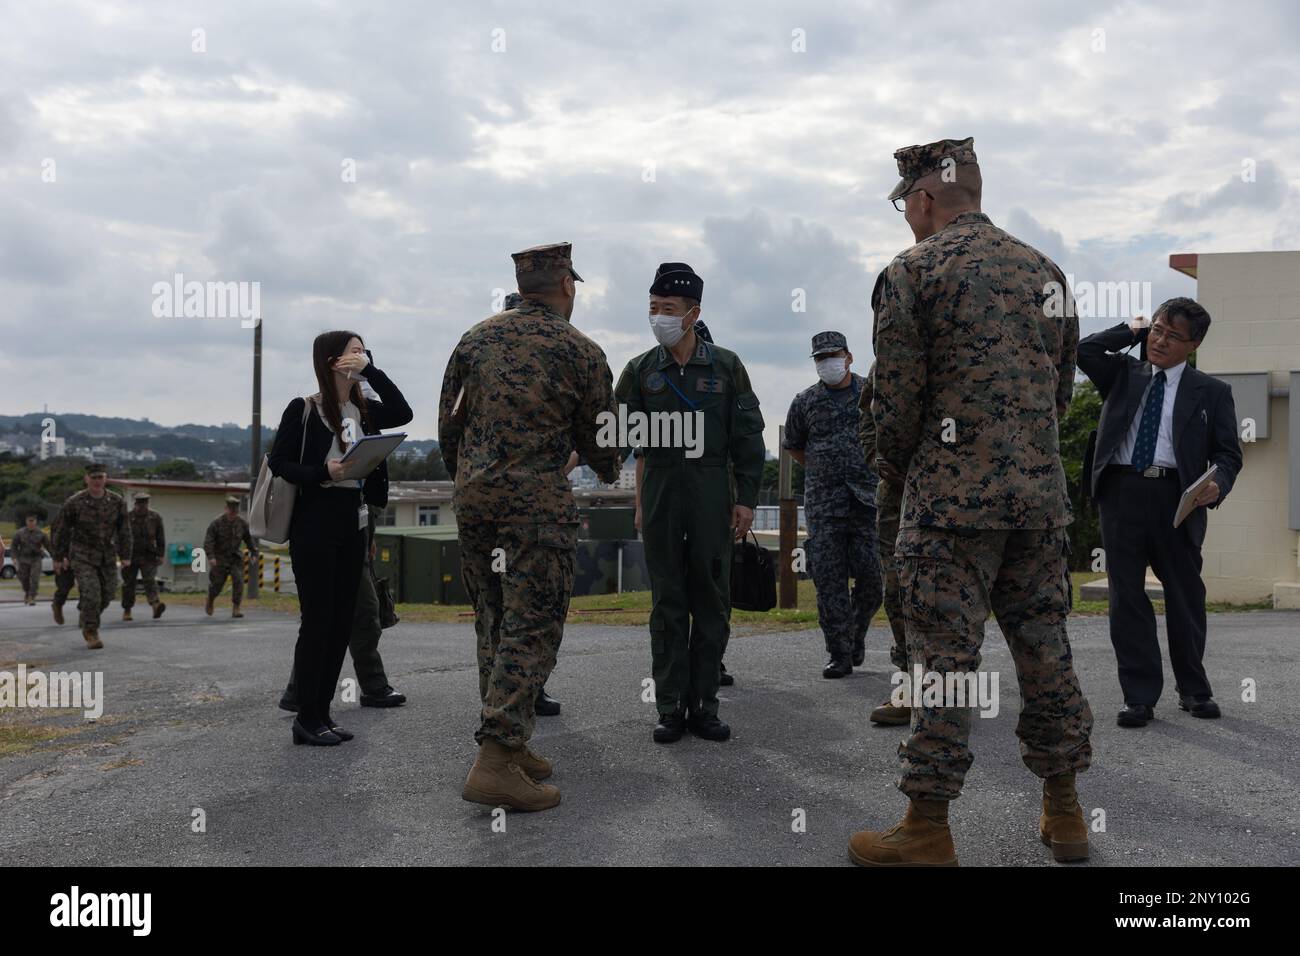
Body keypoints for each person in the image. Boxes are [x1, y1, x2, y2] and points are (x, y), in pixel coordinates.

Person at [851, 137, 1093, 866]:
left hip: (950, 510)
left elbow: (895, 405)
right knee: (1044, 649)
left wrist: (897, 476)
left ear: (923, 198)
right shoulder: (1045, 271)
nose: (906, 218)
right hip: (1039, 503)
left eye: (905, 204)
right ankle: (1066, 811)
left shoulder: (913, 271)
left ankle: (926, 826)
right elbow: (1059, 390)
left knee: (943, 662)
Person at [441, 242, 619, 811]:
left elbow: (450, 426)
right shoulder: (580, 351)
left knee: (492, 618)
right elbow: (604, 448)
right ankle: (495, 760)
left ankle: (511, 747)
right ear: (567, 285)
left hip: (475, 503)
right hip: (536, 511)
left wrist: (471, 478)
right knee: (532, 625)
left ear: (522, 287)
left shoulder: (474, 339)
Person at [615, 262, 765, 745]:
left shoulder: (726, 366)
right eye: (653, 308)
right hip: (660, 493)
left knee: (712, 601)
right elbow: (616, 436)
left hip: (711, 496)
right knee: (668, 604)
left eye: (669, 309)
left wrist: (745, 500)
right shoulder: (640, 371)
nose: (659, 317)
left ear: (693, 313)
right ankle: (669, 708)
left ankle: (705, 706)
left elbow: (748, 439)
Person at [1077, 300, 1242, 727]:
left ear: (1195, 344)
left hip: (1178, 498)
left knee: (1186, 597)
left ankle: (1193, 690)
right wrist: (1130, 330)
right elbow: (1085, 351)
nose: (1159, 340)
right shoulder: (1123, 374)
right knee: (1127, 597)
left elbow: (1228, 453)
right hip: (1122, 492)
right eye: (1156, 329)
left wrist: (1217, 484)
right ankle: (1139, 697)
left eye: (1172, 335)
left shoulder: (1212, 392)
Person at [268, 332, 410, 746]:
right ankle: (306, 716)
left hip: (354, 518)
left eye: (364, 349)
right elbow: (280, 463)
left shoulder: (363, 410)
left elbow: (404, 411)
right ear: (332, 361)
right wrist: (322, 473)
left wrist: (373, 372)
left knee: (342, 619)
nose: (361, 355)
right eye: (354, 350)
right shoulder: (305, 408)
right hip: (315, 518)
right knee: (318, 621)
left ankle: (322, 714)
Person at [783, 331, 883, 679]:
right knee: (829, 581)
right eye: (820, 358)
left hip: (866, 501)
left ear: (849, 357)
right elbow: (794, 445)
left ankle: (856, 631)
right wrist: (823, 470)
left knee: (874, 578)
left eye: (833, 355)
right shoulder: (805, 401)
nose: (827, 363)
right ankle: (839, 653)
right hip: (824, 506)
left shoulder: (869, 394)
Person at [506, 288, 564, 718]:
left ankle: (528, 690)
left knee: (519, 608)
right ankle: (508, 702)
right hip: (531, 509)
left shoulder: (553, 368)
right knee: (530, 609)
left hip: (501, 506)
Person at [858, 272, 911, 725]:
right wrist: (879, 458)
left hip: (946, 495)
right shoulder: (881, 368)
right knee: (896, 592)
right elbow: (867, 420)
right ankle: (910, 686)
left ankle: (950, 688)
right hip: (895, 498)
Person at [52, 463, 131, 649]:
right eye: (93, 477)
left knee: (109, 593)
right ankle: (91, 632)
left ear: (105, 479)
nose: (97, 481)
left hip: (107, 555)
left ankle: (87, 614)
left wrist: (126, 554)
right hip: (82, 555)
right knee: (92, 594)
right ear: (86, 479)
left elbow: (124, 530)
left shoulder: (117, 501)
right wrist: (58, 557)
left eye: (100, 477)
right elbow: (61, 530)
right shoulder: (75, 502)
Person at [203, 497, 254, 618]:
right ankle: (210, 599)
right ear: (226, 509)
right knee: (217, 584)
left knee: (239, 581)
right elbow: (208, 541)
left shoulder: (242, 523)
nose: (233, 513)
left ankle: (236, 608)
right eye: (231, 510)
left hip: (235, 558)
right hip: (219, 558)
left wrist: (253, 552)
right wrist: (211, 557)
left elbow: (249, 539)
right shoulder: (216, 523)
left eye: (235, 511)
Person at [122, 492, 166, 621]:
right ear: (135, 504)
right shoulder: (127, 518)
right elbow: (120, 537)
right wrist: (122, 555)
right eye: (140, 504)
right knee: (129, 583)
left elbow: (160, 537)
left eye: (145, 504)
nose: (143, 507)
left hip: (148, 555)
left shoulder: (155, 517)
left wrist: (161, 554)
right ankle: (127, 609)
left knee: (150, 580)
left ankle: (155, 605)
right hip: (130, 555)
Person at [11, 514, 51, 606]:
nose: (31, 523)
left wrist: (57, 558)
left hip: (36, 558)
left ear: (36, 522)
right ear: (26, 522)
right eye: (29, 521)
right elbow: (13, 546)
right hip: (23, 558)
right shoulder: (20, 533)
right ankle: (27, 592)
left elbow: (49, 546)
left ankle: (32, 597)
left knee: (35, 578)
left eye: (33, 521)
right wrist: (14, 558)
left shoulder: (41, 533)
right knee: (23, 578)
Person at [48, 510, 76, 625]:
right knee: (65, 585)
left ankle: (86, 614)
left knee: (88, 586)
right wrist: (60, 557)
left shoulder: (88, 515)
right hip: (64, 557)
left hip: (83, 556)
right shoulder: (60, 520)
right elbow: (55, 541)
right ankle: (58, 604)